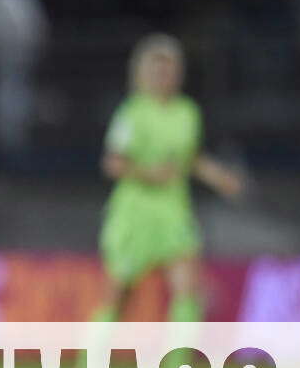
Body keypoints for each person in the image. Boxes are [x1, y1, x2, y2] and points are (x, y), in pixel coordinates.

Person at [97, 33, 243, 324]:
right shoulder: (132, 113)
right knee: (118, 296)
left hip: (174, 212)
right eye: (156, 68)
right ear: (142, 72)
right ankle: (88, 365)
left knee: (188, 291)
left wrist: (219, 177)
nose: (163, 75)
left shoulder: (187, 113)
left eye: (169, 68)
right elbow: (112, 163)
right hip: (134, 214)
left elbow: (191, 158)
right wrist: (147, 173)